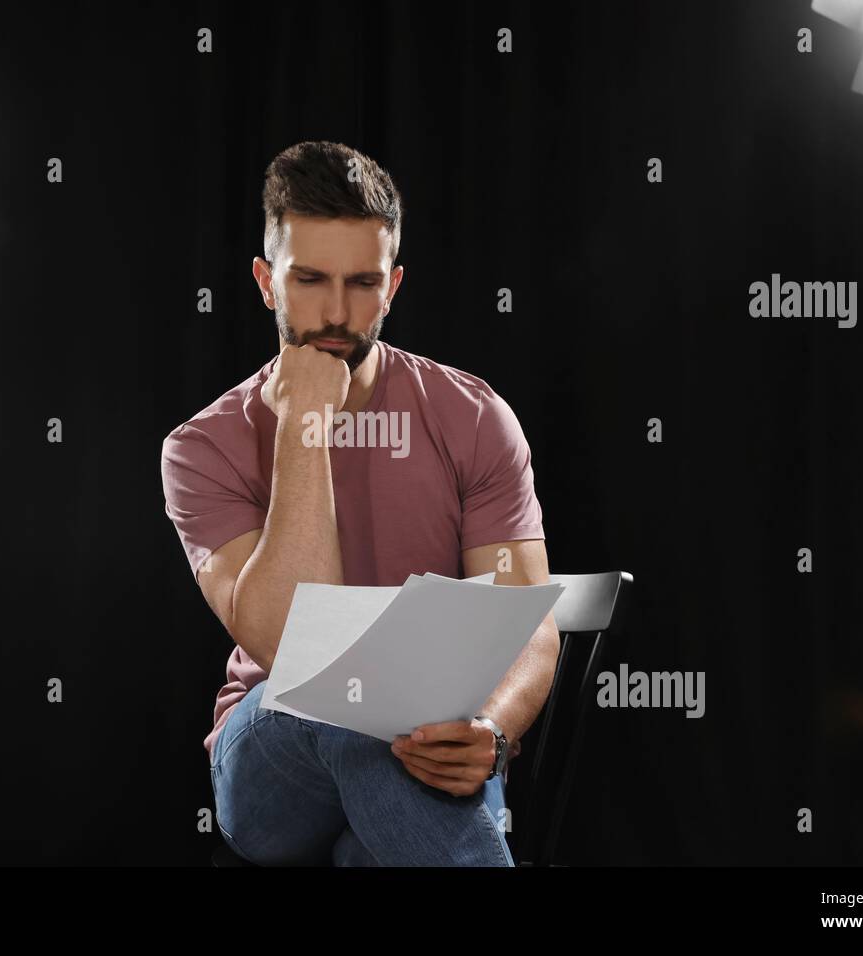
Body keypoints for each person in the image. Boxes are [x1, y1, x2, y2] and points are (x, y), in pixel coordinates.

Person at [161, 140, 559, 866]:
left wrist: (493, 732)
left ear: (394, 286)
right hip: (271, 760)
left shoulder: (472, 416)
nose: (337, 313)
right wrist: (304, 428)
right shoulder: (202, 447)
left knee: (374, 844)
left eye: (363, 283)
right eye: (309, 279)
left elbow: (526, 619)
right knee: (343, 699)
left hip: (433, 744)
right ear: (266, 282)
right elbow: (290, 644)